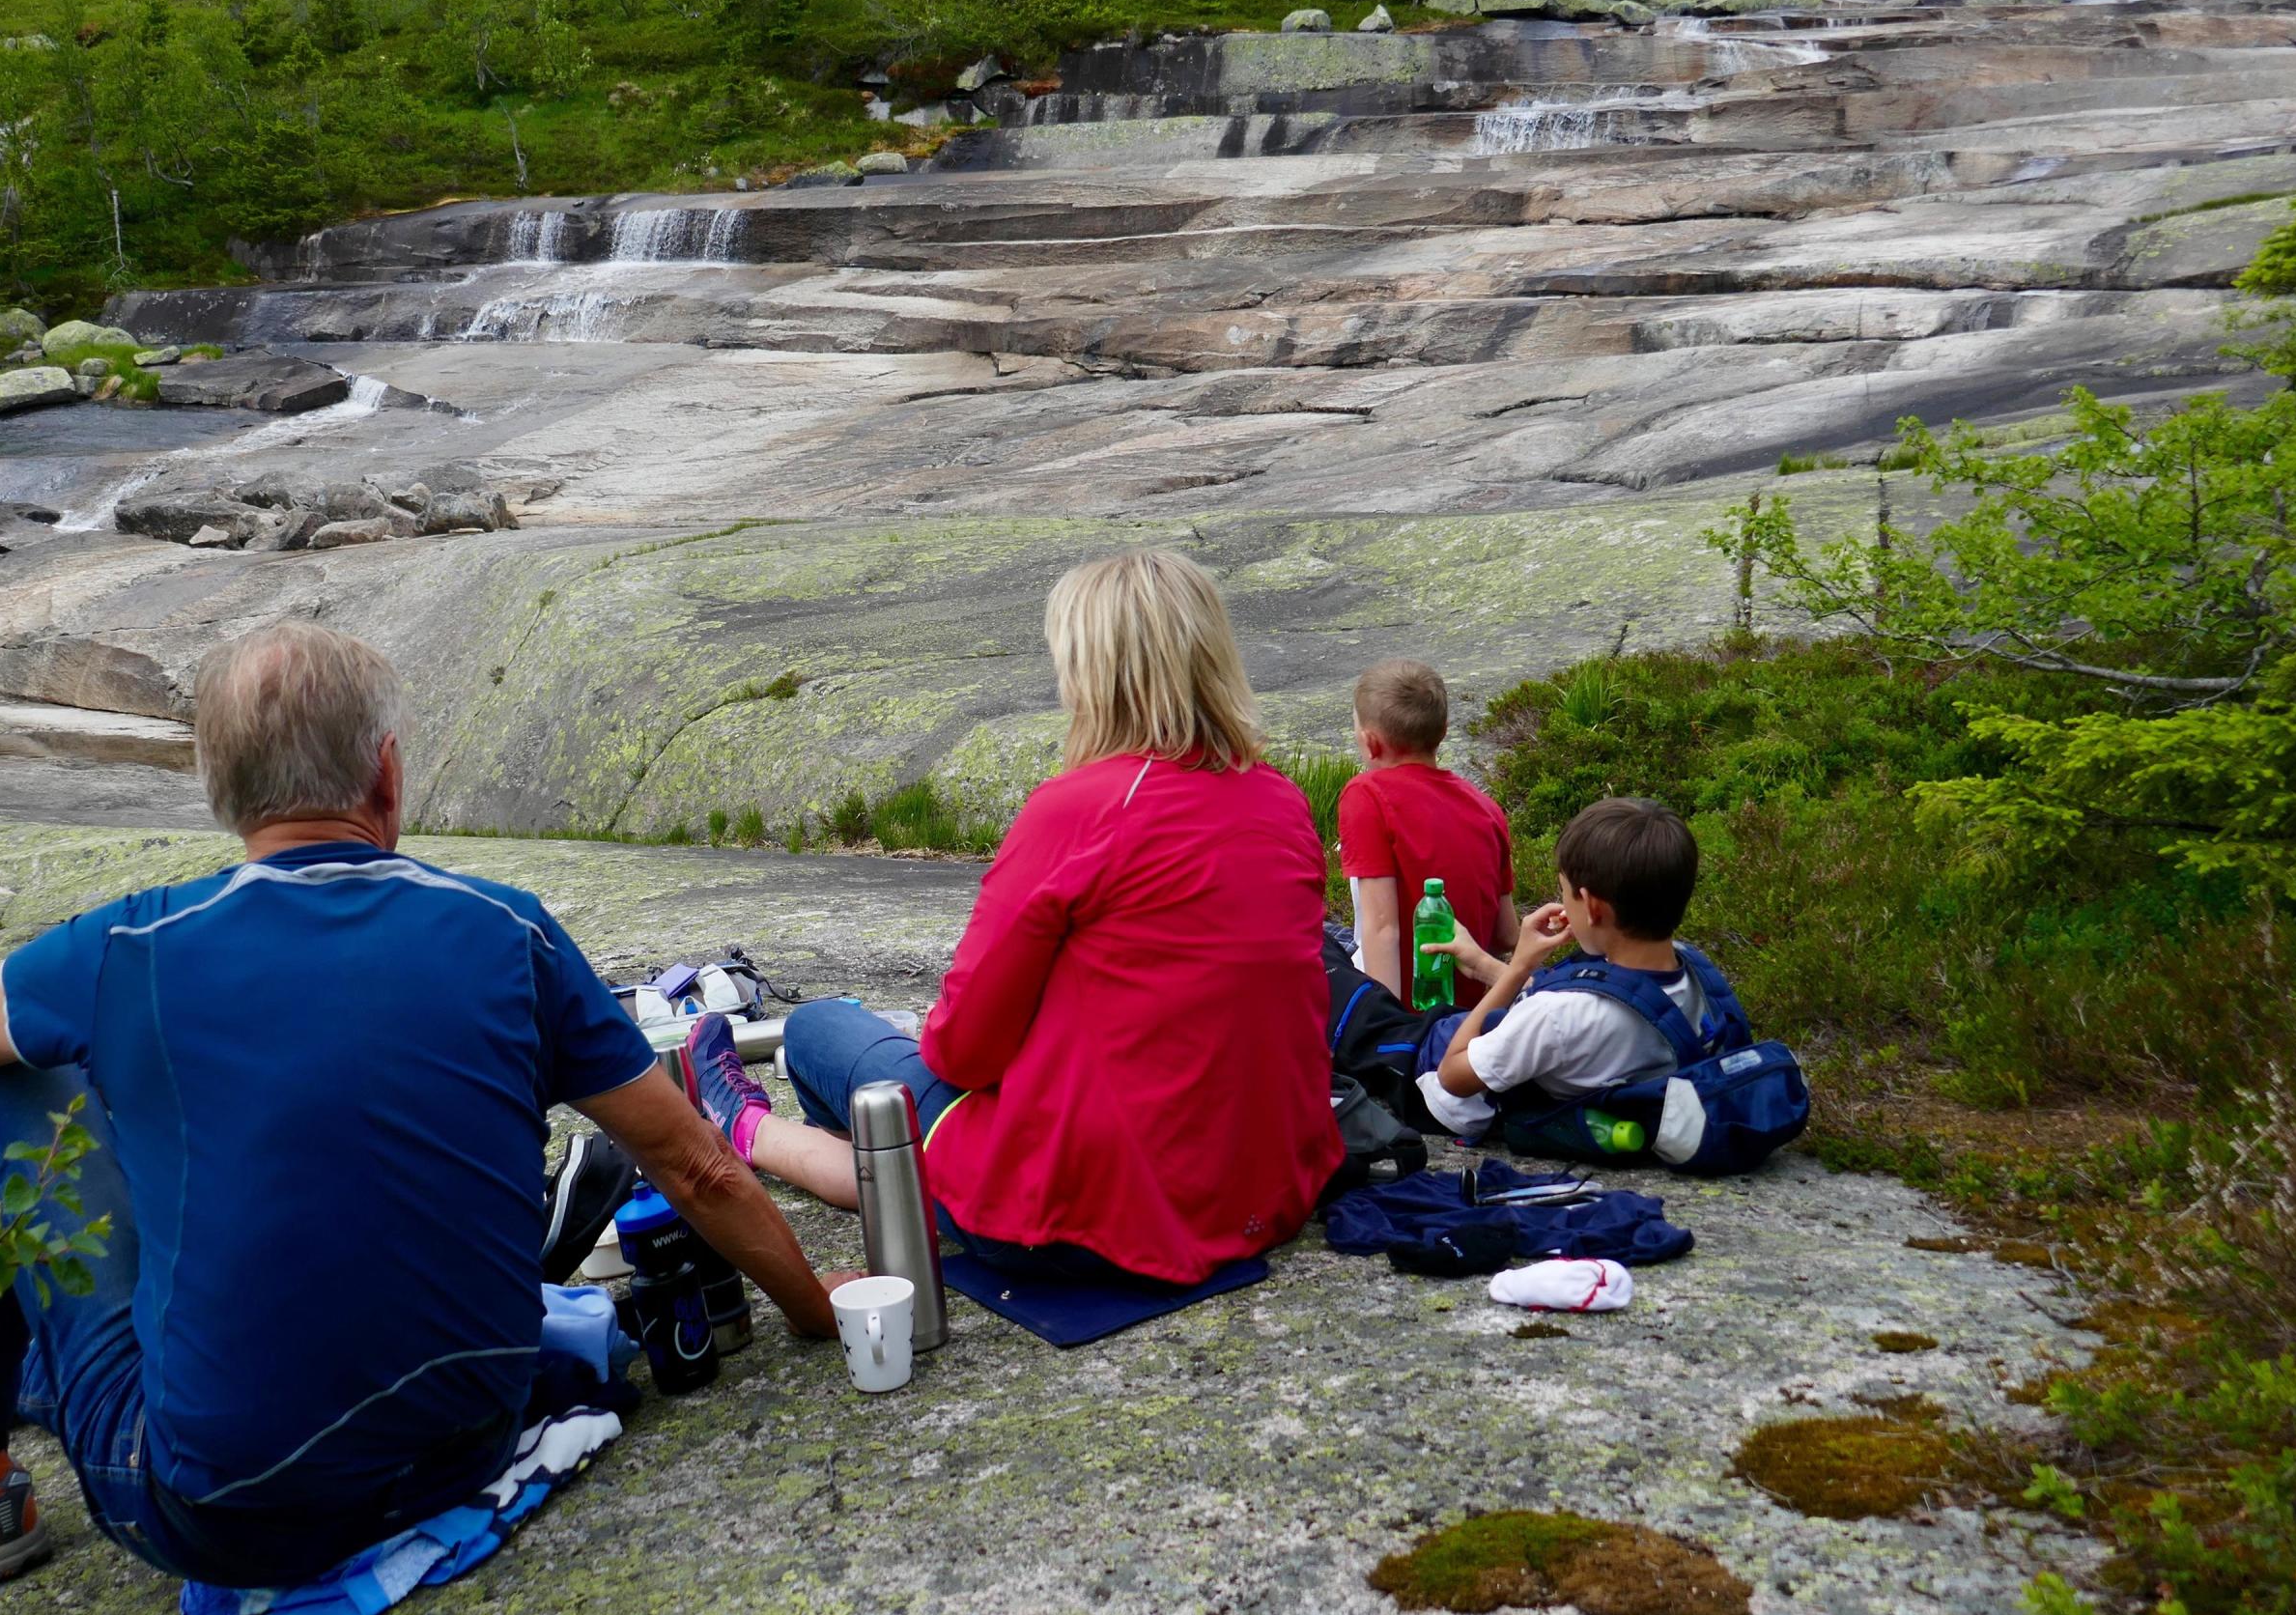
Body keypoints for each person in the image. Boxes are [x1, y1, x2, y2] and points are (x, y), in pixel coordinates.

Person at [0, 622, 847, 1593]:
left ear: (222, 794)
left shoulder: (133, 946)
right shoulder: (507, 929)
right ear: (386, 775)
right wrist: (816, 1310)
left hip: (220, 1511)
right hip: (469, 1441)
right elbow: (697, 1165)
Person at [686, 550, 1342, 1287]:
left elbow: (961, 1053)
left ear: (1094, 675)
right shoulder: (1281, 803)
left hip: (1090, 1218)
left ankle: (741, 1127)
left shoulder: (1079, 810)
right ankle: (891, 1174)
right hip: (1264, 1193)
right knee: (913, 1108)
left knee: (822, 1029)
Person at [1418, 796, 1737, 1144]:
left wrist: (1520, 964)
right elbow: (1583, 1006)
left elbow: (1452, 1074)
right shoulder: (1693, 974)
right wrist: (1481, 963)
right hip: (1516, 1053)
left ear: (1592, 907)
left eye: (1566, 892)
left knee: (1358, 1002)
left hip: (1429, 1073)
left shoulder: (1557, 1016)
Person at [1337, 659, 1516, 1006]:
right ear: (1444, 730)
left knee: (1319, 942)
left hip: (1408, 1012)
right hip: (1471, 1010)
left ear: (1370, 743)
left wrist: (1386, 1028)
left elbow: (1382, 929)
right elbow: (1507, 933)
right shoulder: (1487, 808)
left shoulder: (1367, 795)